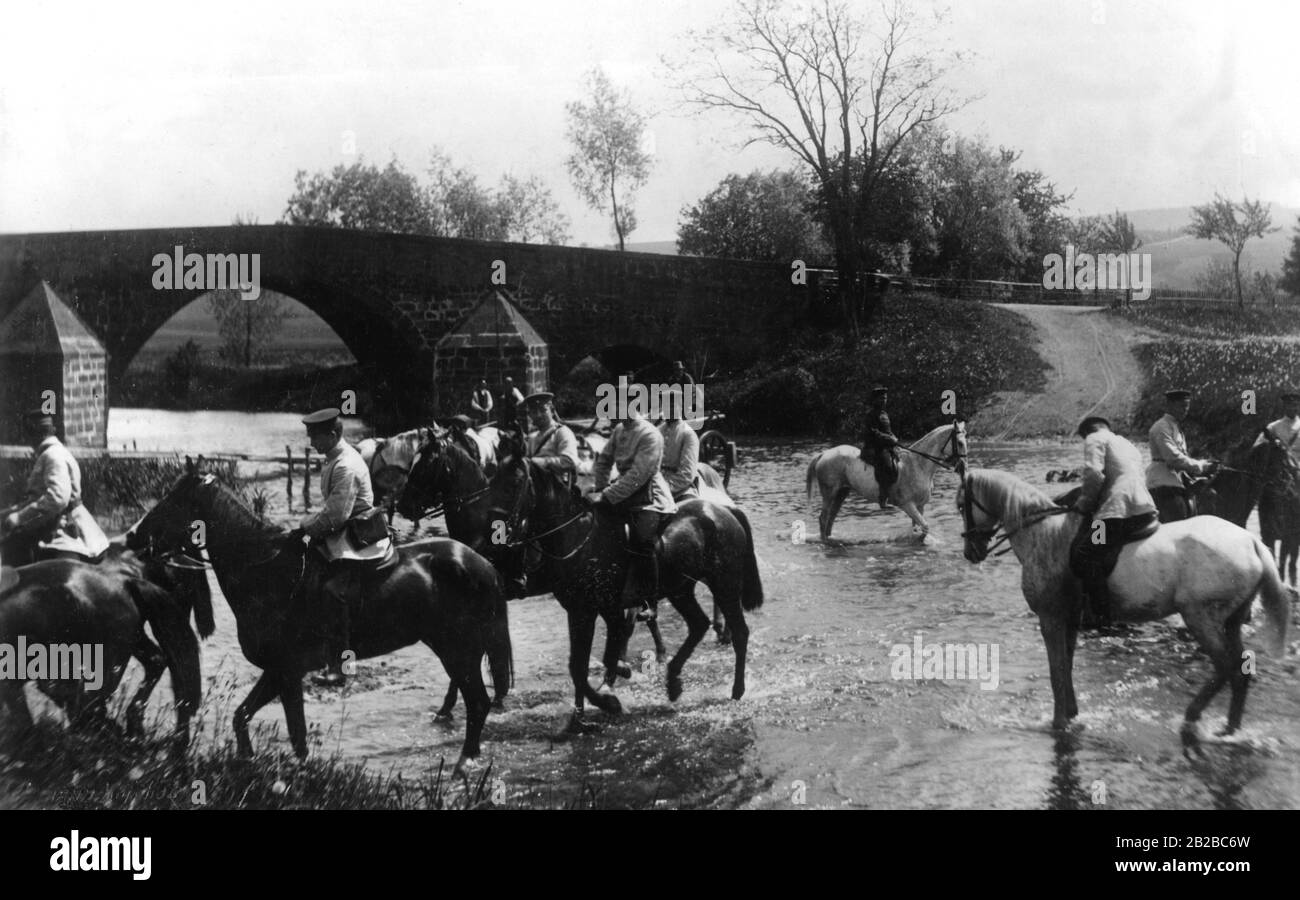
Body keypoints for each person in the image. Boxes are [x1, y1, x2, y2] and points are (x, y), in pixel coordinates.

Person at [293, 408, 392, 688]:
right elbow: (331, 511)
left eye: (316, 436)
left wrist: (305, 526)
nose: (312, 442)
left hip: (357, 538)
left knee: (332, 592)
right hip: (344, 531)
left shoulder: (346, 464)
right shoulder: (334, 459)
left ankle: (341, 667)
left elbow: (336, 516)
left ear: (334, 434)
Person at [1069, 416, 1159, 629]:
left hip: (1115, 512)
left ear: (1087, 432)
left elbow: (1094, 475)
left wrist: (1084, 503)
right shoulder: (1127, 443)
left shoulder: (1094, 439)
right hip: (1144, 508)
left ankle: (1101, 620)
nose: (1085, 440)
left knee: (1085, 556)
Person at [588, 406, 677, 619]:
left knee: (642, 542)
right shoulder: (619, 430)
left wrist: (606, 495)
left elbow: (640, 474)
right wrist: (600, 489)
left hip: (650, 498)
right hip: (623, 493)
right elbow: (603, 461)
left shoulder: (649, 434)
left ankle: (649, 602)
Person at [1, 408, 109, 565]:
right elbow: (38, 497)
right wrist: (9, 512)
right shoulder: (54, 452)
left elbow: (57, 498)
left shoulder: (52, 455)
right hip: (56, 520)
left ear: (35, 434)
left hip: (62, 528)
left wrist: (20, 517)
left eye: (28, 434)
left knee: (14, 556)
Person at [1147, 388, 1216, 520]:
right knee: (1177, 519)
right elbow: (1173, 458)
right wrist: (1201, 466)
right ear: (1170, 405)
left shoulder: (1176, 427)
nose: (1185, 410)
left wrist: (1205, 467)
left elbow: (1182, 459)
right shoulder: (1161, 427)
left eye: (1187, 406)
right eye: (1181, 406)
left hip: (1177, 482)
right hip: (1163, 484)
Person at [524, 392, 579, 480]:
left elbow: (570, 461)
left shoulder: (562, 432)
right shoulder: (531, 438)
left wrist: (540, 462)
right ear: (530, 415)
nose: (538, 415)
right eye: (534, 412)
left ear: (552, 411)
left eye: (543, 410)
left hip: (557, 486)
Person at [861, 385, 900, 509]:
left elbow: (888, 431)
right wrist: (890, 439)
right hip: (873, 447)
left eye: (885, 398)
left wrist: (895, 438)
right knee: (887, 466)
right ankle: (883, 500)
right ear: (875, 400)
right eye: (881, 398)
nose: (884, 401)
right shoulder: (870, 415)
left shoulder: (884, 414)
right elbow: (874, 433)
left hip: (885, 446)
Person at [659, 386, 700, 502]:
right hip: (655, 485)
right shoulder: (657, 431)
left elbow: (687, 474)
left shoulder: (688, 434)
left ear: (680, 406)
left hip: (680, 489)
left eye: (672, 405)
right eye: (665, 405)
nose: (668, 409)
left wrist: (664, 488)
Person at [1253, 388, 1300, 456]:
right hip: (1281, 464)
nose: (1292, 408)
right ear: (1284, 406)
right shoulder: (1274, 427)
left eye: (1295, 405)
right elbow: (1257, 445)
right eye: (1289, 405)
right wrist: (1271, 443)